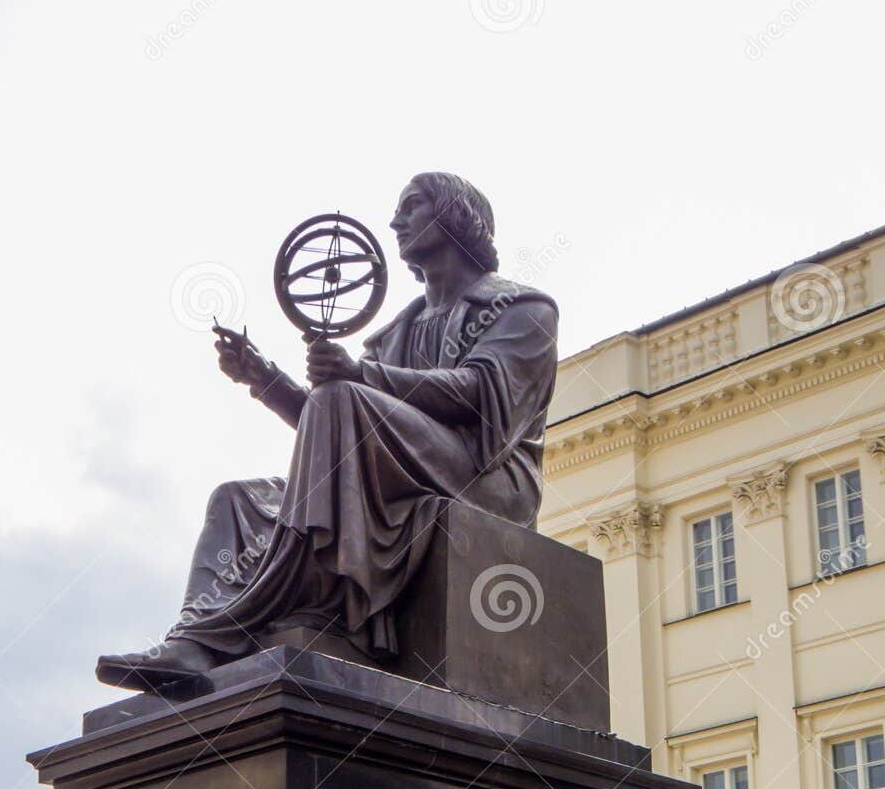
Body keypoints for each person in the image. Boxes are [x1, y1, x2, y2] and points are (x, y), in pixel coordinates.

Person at [97, 172, 559, 691]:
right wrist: (265, 379)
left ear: (455, 213)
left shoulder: (522, 308)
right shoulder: (395, 333)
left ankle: (247, 620)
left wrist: (360, 376)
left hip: (484, 477)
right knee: (237, 501)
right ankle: (190, 641)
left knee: (341, 399)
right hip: (401, 477)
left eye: (412, 206)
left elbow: (479, 392)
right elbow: (335, 434)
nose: (395, 221)